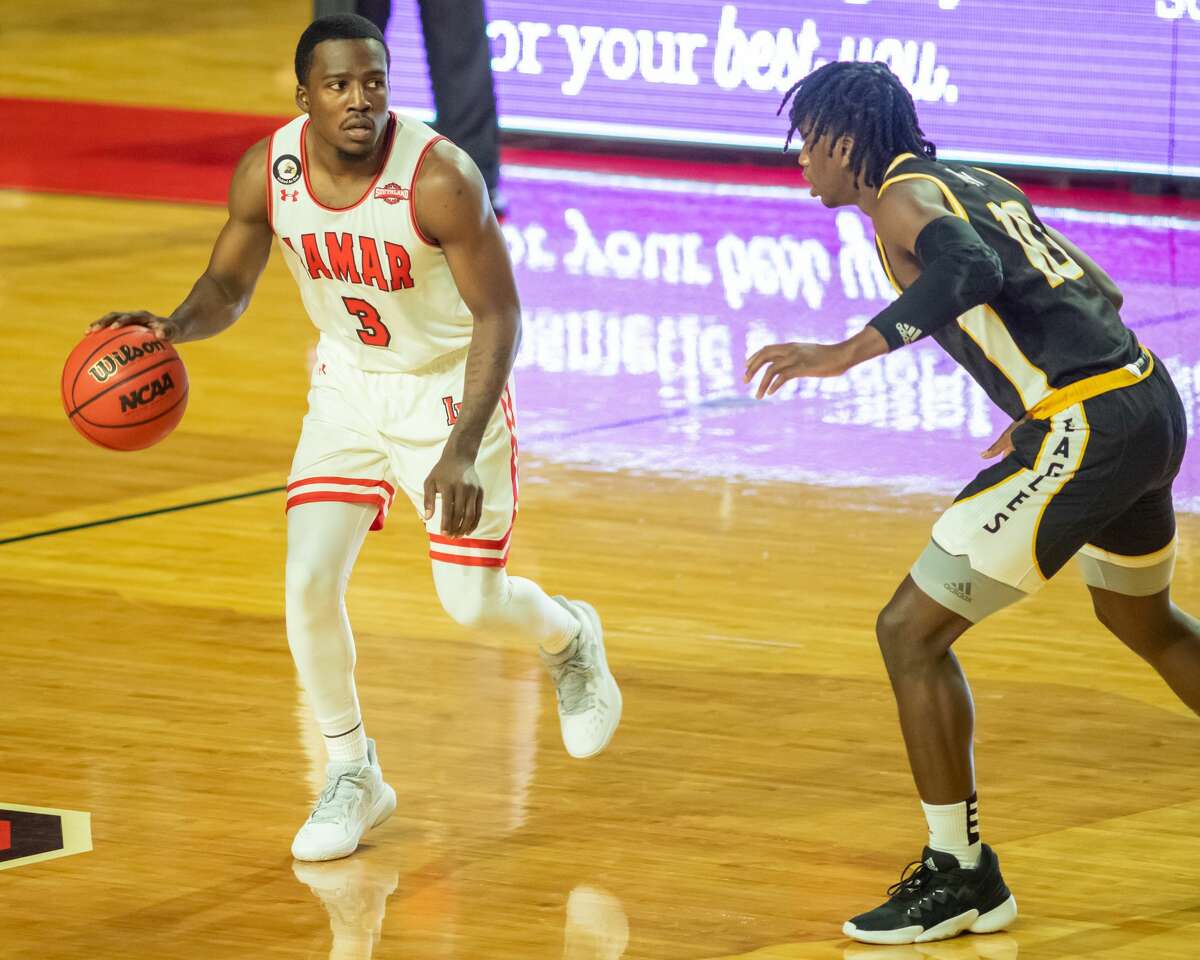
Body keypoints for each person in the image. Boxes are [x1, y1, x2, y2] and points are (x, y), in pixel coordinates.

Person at [90, 13, 621, 863]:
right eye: (338, 85)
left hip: (448, 392)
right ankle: (352, 772)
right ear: (305, 96)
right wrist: (171, 327)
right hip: (347, 387)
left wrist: (462, 445)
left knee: (472, 604)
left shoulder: (441, 178)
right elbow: (229, 283)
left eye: (373, 82)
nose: (359, 100)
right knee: (305, 585)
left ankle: (569, 638)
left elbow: (500, 314)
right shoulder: (271, 170)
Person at [745, 60, 1195, 946]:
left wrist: (847, 351)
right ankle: (960, 875)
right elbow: (1096, 287)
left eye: (805, 144)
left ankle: (959, 876)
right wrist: (1047, 389)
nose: (800, 162)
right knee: (1144, 623)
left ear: (844, 143)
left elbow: (972, 269)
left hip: (1092, 426)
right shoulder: (975, 179)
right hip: (1144, 398)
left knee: (909, 632)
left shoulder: (903, 205)